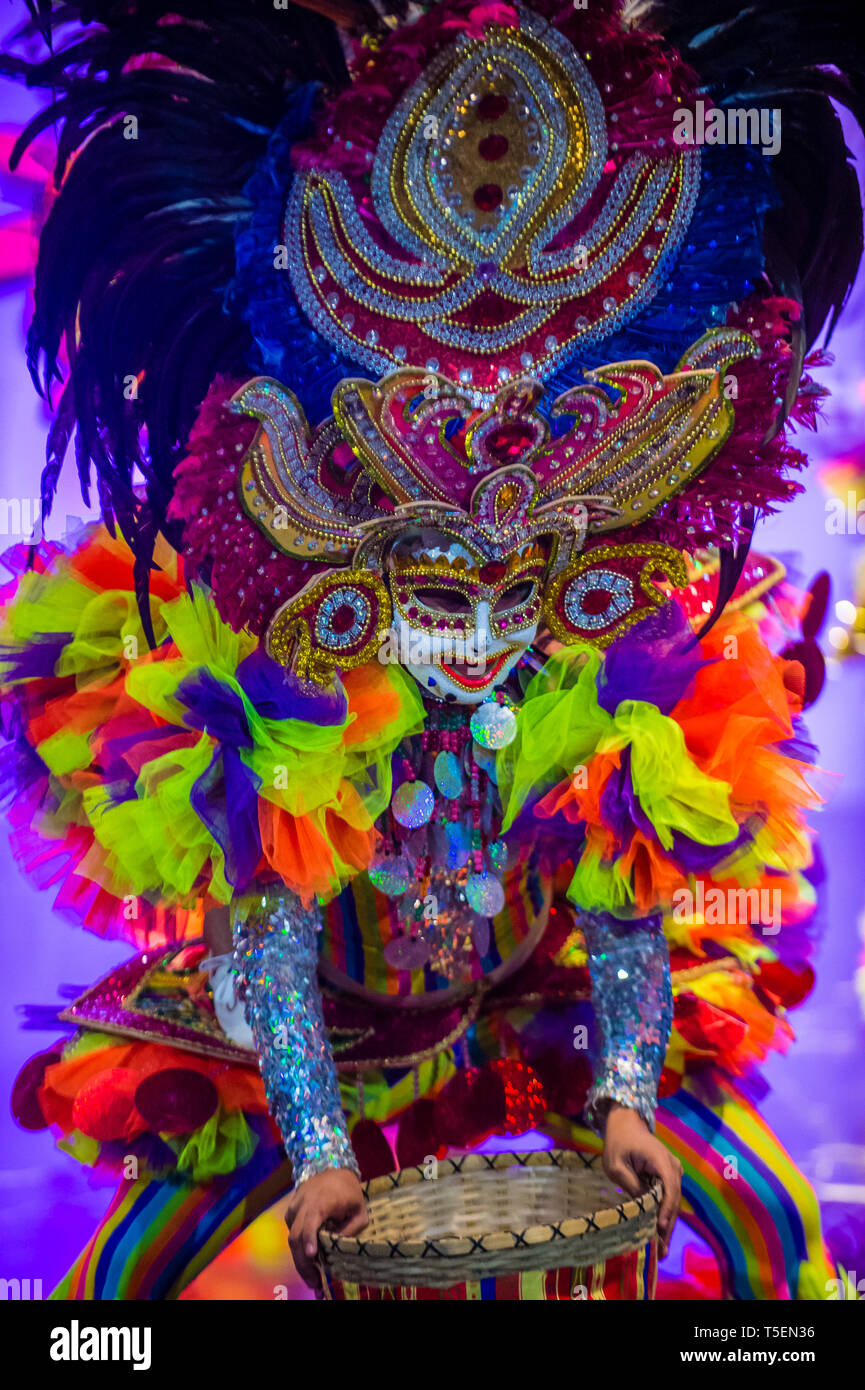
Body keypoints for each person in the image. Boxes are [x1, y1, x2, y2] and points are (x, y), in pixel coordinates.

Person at [2, 0, 862, 1301]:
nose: (481, 626)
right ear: (353, 545)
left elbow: (624, 919)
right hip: (322, 1044)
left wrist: (626, 1098)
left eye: (518, 578)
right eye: (439, 579)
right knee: (108, 1305)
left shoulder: (604, 666)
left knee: (770, 1244)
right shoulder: (289, 685)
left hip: (540, 1005)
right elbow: (274, 942)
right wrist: (320, 1151)